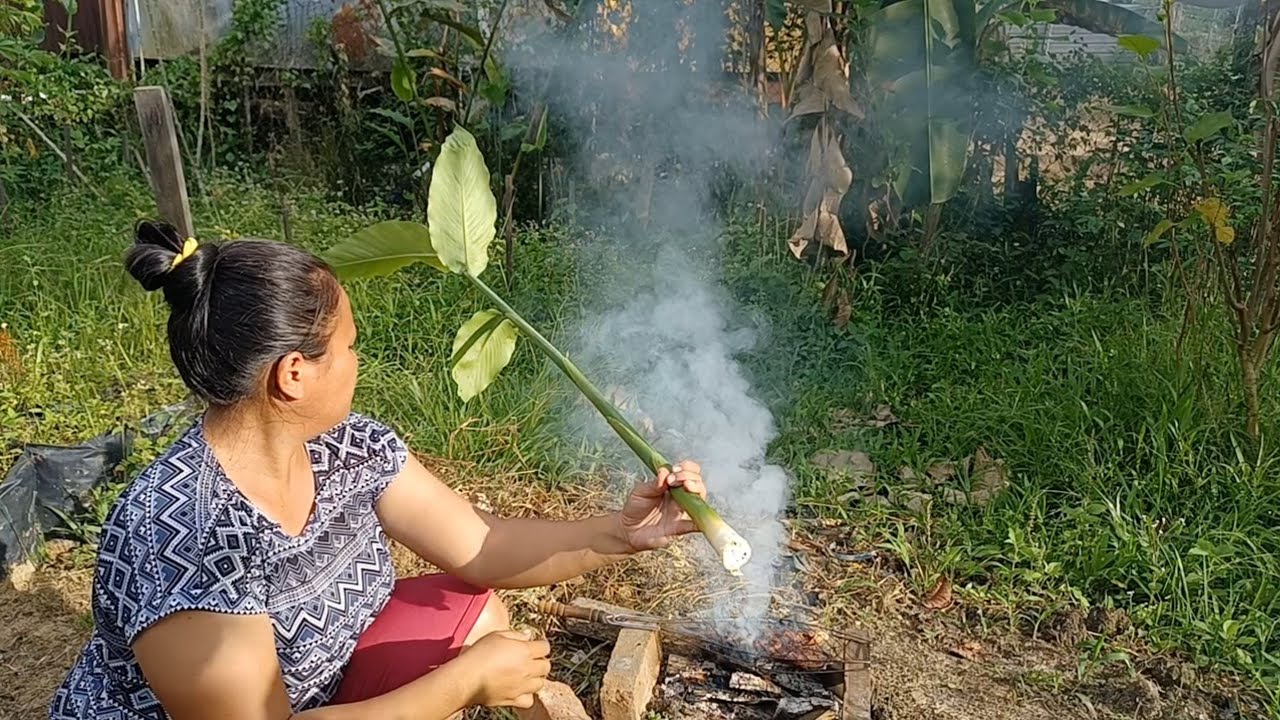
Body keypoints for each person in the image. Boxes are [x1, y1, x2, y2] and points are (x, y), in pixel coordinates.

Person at [48, 220, 709, 720]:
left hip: (323, 690)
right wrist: (462, 684)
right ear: (294, 374)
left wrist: (618, 533)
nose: (359, 361)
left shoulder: (347, 448)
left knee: (469, 607)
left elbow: (481, 546)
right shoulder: (184, 542)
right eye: (350, 347)